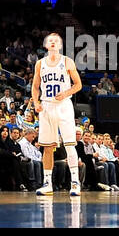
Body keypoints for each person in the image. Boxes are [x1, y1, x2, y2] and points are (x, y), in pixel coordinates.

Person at [33, 32, 83, 197]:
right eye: (50, 41)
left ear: (60, 45)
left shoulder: (67, 61)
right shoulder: (40, 64)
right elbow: (35, 87)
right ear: (46, 45)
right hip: (46, 106)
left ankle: (75, 182)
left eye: (56, 41)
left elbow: (78, 85)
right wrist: (36, 102)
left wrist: (66, 93)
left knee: (70, 145)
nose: (53, 42)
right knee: (47, 147)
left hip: (63, 105)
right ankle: (47, 183)